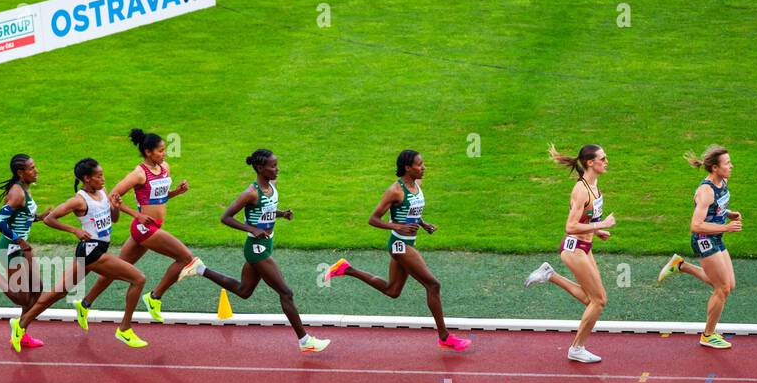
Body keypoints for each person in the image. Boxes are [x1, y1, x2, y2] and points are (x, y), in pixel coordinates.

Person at [323, 150, 470, 352]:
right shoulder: (395, 190)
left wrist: (423, 224)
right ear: (408, 168)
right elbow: (373, 219)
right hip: (400, 245)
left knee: (392, 291)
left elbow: (411, 211)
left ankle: (347, 269)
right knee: (433, 285)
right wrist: (397, 227)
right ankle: (444, 336)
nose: (424, 167)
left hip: (408, 242)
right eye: (419, 164)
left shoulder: (417, 185)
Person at [185, 149, 329, 353]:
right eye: (273, 166)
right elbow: (226, 217)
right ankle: (305, 341)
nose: (277, 169)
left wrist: (281, 214)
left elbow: (266, 209)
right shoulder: (251, 193)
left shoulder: (272, 185)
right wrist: (252, 229)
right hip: (256, 249)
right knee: (286, 292)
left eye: (277, 165)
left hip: (267, 243)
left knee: (244, 291)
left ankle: (199, 269)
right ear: (261, 168)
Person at [9, 158, 150, 352]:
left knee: (58, 292)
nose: (103, 179)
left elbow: (113, 220)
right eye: (98, 176)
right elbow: (50, 219)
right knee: (138, 279)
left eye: (102, 175)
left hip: (91, 251)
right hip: (92, 252)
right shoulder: (79, 200)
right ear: (86, 178)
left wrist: (116, 206)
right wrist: (74, 230)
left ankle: (21, 324)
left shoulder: (102, 191)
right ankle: (124, 329)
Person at [80, 128, 205, 324]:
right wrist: (137, 215)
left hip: (152, 226)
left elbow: (159, 198)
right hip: (144, 229)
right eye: (160, 150)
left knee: (119, 268)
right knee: (186, 258)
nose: (164, 153)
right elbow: (113, 196)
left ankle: (85, 303)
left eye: (164, 150)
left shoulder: (165, 167)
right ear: (148, 152)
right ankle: (154, 297)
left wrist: (176, 192)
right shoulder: (139, 173)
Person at [523, 143, 616, 363]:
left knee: (591, 299)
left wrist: (597, 229)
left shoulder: (594, 184)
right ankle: (576, 348)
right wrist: (602, 223)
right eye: (602, 159)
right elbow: (571, 226)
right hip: (573, 248)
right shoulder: (581, 189)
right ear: (590, 163)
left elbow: (586, 217)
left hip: (585, 247)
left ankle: (549, 275)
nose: (606, 161)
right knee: (599, 300)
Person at [656, 145, 741, 349]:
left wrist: (728, 214)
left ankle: (681, 265)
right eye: (727, 163)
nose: (731, 166)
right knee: (722, 288)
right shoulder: (705, 191)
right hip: (704, 239)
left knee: (729, 284)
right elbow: (696, 225)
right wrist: (727, 227)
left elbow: (718, 206)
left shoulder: (723, 182)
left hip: (716, 236)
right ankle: (708, 334)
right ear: (714, 168)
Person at [0, 154, 51, 347]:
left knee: (37, 290)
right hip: (10, 249)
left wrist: (40, 217)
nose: (36, 170)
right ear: (20, 173)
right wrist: (19, 240)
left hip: (22, 248)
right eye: (32, 168)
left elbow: (22, 217)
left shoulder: (25, 189)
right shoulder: (18, 193)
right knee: (22, 297)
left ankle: (21, 332)